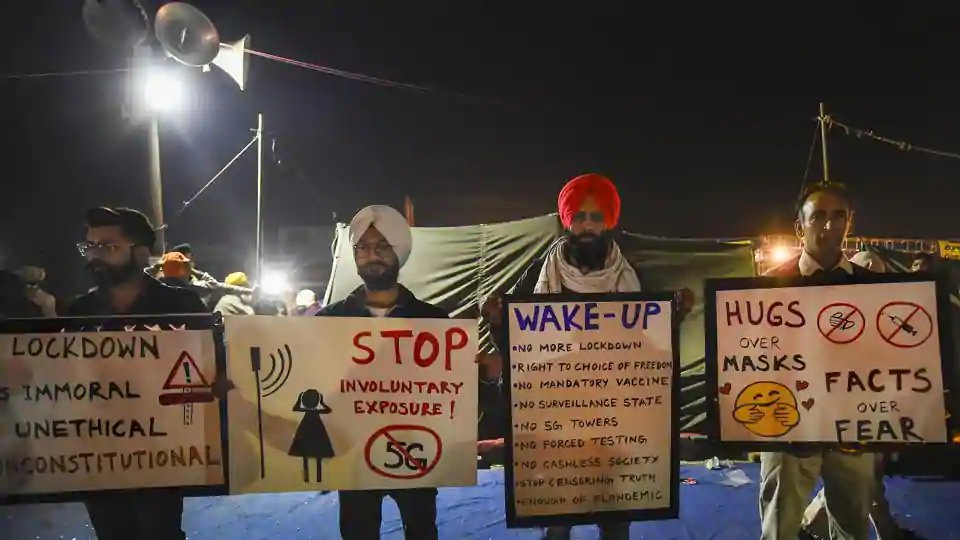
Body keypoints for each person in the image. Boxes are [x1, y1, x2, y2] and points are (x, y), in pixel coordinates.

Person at [481, 173, 693, 540]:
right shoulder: (539, 274)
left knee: (615, 521)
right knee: (557, 521)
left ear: (609, 221)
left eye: (596, 217)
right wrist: (498, 321)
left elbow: (652, 345)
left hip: (616, 420)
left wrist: (676, 315)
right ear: (567, 221)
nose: (588, 226)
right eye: (579, 216)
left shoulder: (632, 275)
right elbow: (518, 343)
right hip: (555, 420)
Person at [69, 207, 207, 540]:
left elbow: (211, 370)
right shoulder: (78, 311)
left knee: (160, 531)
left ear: (142, 252)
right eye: (90, 246)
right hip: (99, 453)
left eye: (108, 247)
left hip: (163, 453)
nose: (95, 256)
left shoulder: (182, 306)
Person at [316, 204, 447, 540]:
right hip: (354, 455)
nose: (371, 255)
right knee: (358, 532)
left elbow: (450, 392)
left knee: (421, 531)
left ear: (399, 252)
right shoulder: (328, 322)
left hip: (416, 450)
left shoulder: (433, 322)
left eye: (382, 246)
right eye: (363, 247)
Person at [760, 182, 876, 540]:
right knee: (779, 527)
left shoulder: (875, 287)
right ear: (800, 226)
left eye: (838, 216)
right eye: (819, 217)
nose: (829, 225)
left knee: (853, 526)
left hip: (853, 427)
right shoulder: (765, 286)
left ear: (849, 222)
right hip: (788, 429)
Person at [799, 248, 923, 540]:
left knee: (860, 479)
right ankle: (817, 524)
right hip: (852, 415)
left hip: (863, 413)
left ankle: (812, 524)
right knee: (859, 479)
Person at [289, 388, 335, 482]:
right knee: (314, 454)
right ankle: (315, 478)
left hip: (307, 430)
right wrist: (322, 403)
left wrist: (299, 400)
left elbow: (295, 408)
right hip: (315, 430)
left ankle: (310, 478)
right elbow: (328, 410)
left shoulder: (308, 411)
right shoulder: (315, 411)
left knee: (308, 454)